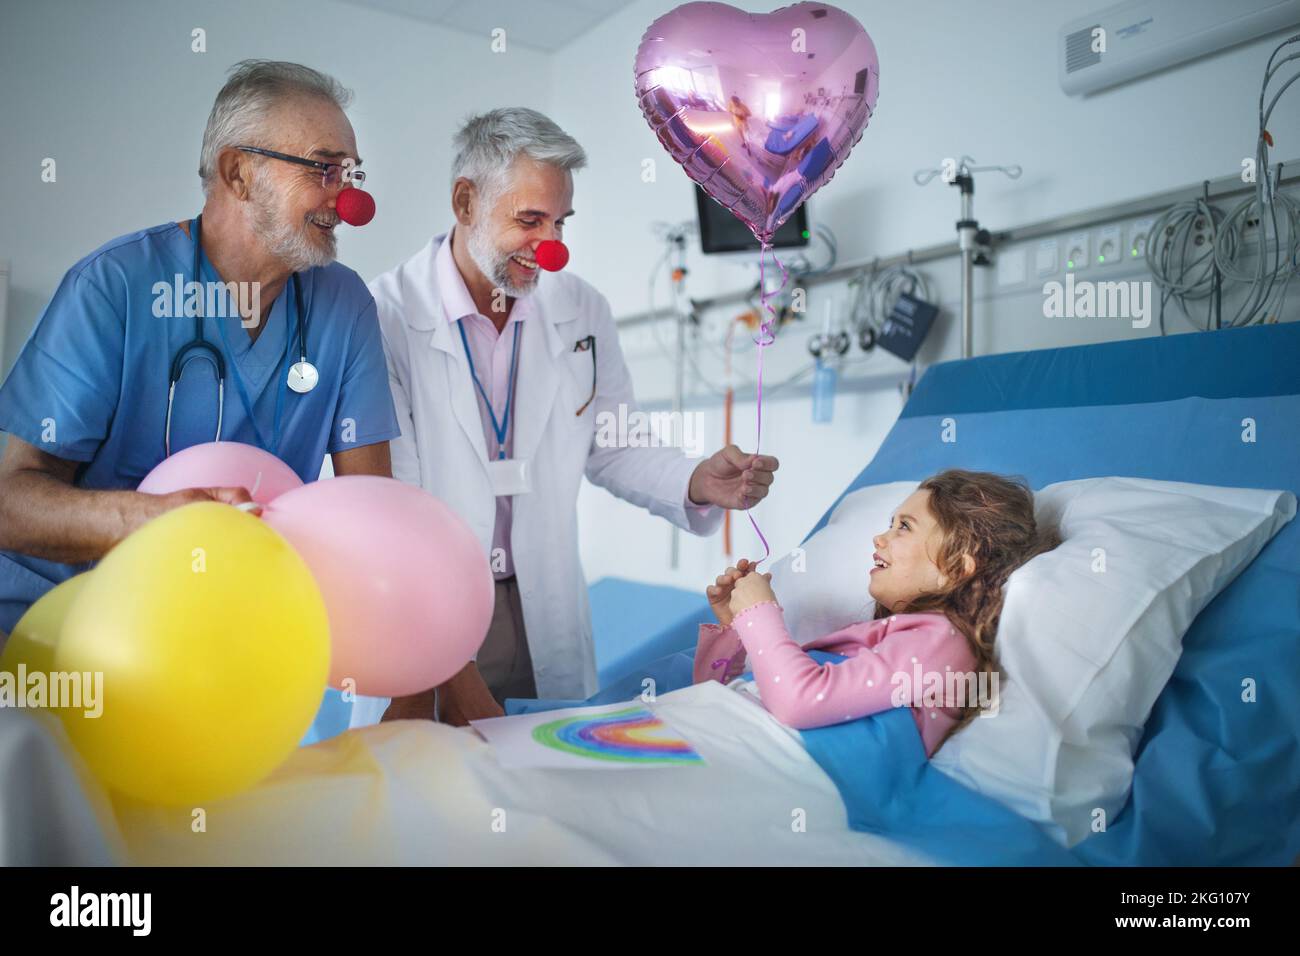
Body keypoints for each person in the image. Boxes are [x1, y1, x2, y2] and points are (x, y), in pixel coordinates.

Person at [365, 108, 779, 726]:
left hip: (543, 603)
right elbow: (395, 504)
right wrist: (452, 666)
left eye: (560, 222)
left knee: (546, 779)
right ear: (465, 202)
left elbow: (613, 443)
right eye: (529, 220)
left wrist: (696, 479)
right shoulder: (386, 314)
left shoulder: (580, 309)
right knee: (431, 795)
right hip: (431, 604)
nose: (551, 246)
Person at [0, 60, 398, 633]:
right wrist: (155, 521)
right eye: (323, 169)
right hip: (65, 633)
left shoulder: (345, 304)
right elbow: (11, 504)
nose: (349, 202)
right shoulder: (115, 287)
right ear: (238, 173)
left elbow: (369, 508)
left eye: (351, 174)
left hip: (219, 637)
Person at [695, 470, 1060, 756]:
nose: (879, 538)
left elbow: (798, 702)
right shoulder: (884, 637)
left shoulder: (942, 642)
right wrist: (736, 629)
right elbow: (713, 699)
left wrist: (760, 613)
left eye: (903, 526)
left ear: (957, 567)